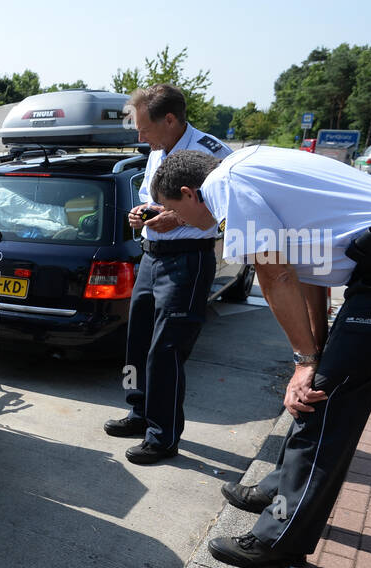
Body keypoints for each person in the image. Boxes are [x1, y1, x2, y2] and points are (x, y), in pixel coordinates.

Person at [151, 145, 371, 568]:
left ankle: (280, 539)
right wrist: (315, 352)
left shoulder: (227, 187)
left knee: (324, 398)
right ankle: (278, 487)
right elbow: (308, 275)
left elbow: (274, 272)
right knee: (324, 381)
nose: (179, 223)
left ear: (191, 192)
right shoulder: (246, 169)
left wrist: (306, 365)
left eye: (173, 210)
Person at [103, 84, 230, 464]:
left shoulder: (212, 153)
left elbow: (225, 211)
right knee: (137, 341)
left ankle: (163, 434)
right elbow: (151, 196)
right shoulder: (157, 151)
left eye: (144, 128)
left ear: (170, 119)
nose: (139, 136)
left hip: (187, 260)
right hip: (151, 257)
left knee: (167, 349)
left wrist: (175, 217)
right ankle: (138, 411)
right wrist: (142, 214)